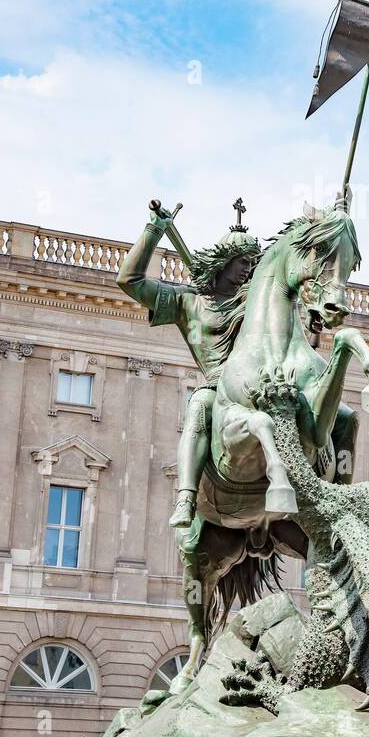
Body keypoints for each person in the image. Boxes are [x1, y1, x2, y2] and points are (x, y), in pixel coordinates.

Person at [117, 203, 261, 528]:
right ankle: (186, 496)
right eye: (242, 262)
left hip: (260, 387)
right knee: (199, 405)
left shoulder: (256, 303)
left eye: (252, 264)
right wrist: (154, 229)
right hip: (220, 389)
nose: (246, 270)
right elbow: (129, 280)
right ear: (223, 263)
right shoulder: (188, 302)